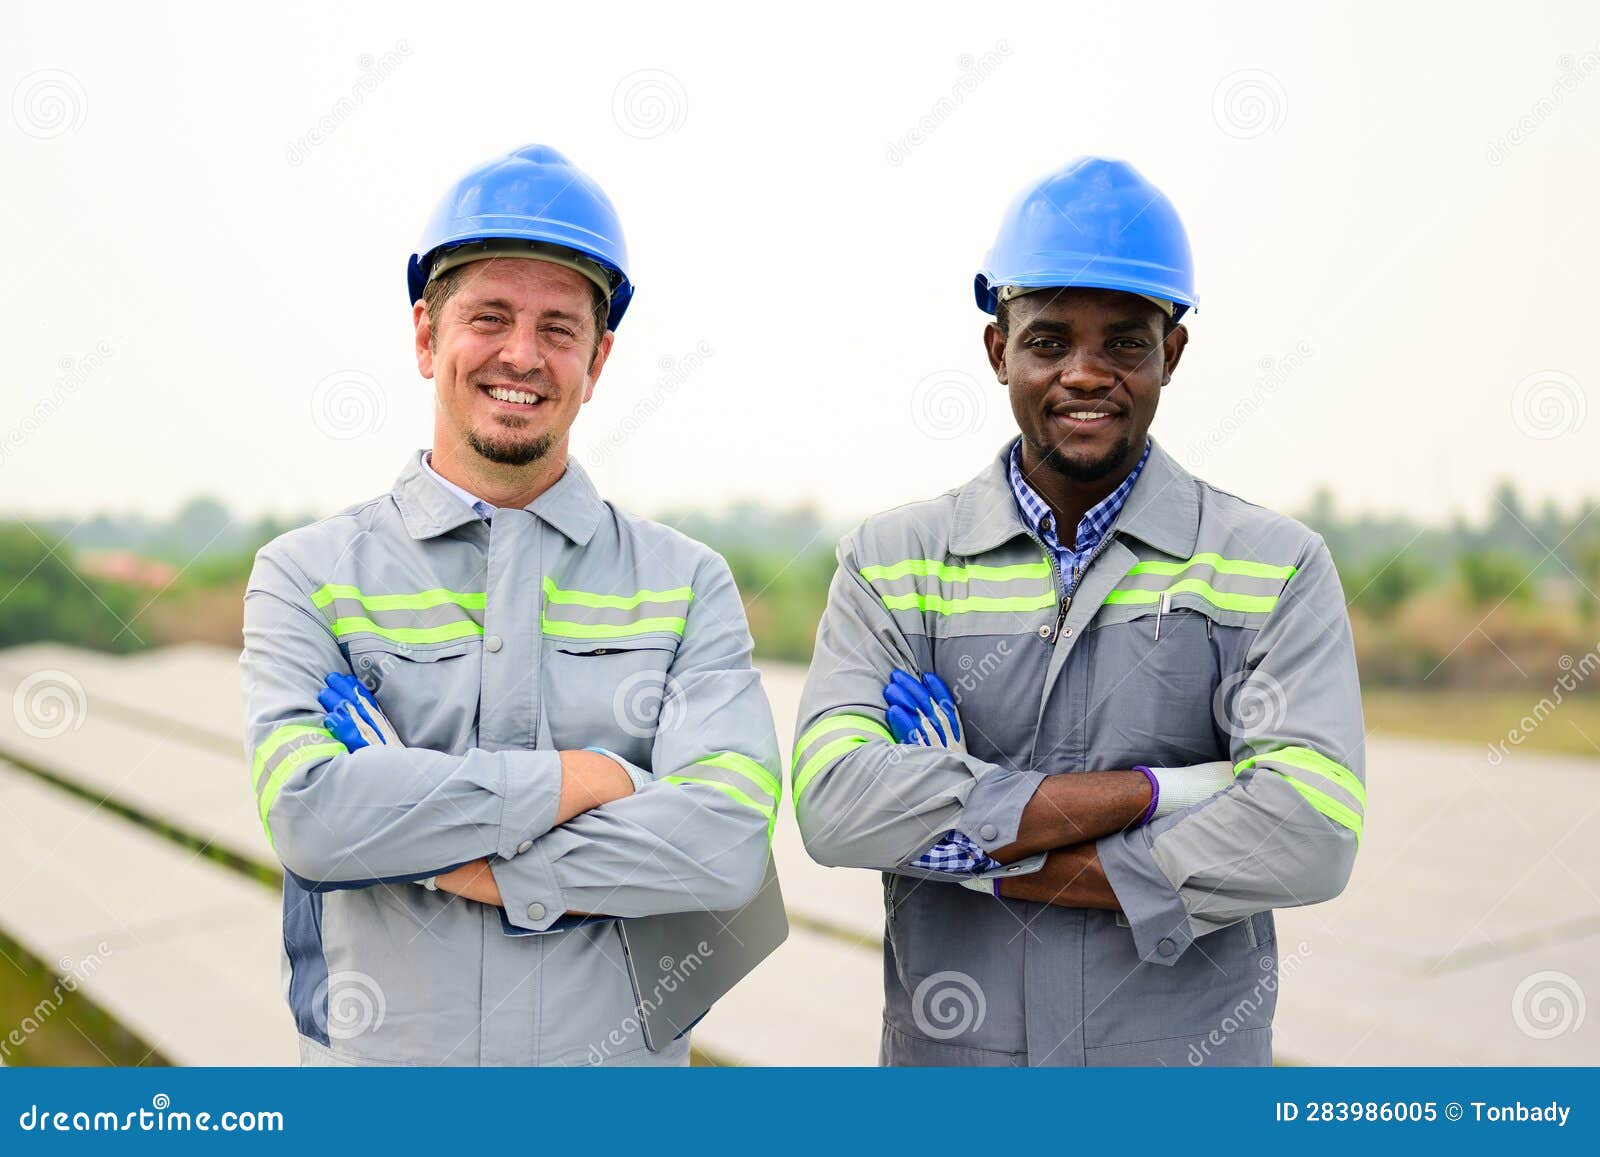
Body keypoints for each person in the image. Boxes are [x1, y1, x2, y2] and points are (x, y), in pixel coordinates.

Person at [793, 156, 1365, 1066]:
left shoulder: (1274, 566)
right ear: (998, 351)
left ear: (1172, 354)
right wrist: (1159, 794)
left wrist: (978, 848)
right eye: (1050, 341)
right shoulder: (894, 563)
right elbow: (836, 805)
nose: (1086, 374)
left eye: (1126, 344)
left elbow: (1310, 830)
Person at [240, 144, 780, 1066]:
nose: (522, 355)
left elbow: (725, 844)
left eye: (559, 329)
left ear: (597, 360)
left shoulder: (686, 583)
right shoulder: (308, 575)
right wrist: (592, 777)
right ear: (426, 336)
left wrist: (442, 850)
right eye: (489, 317)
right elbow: (313, 818)